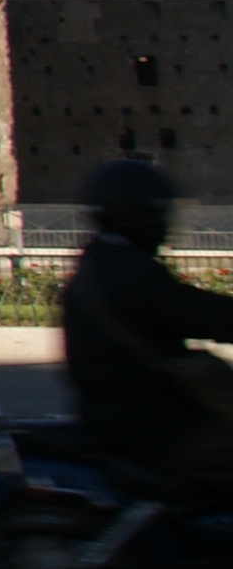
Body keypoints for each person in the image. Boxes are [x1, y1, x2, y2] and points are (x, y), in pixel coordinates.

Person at [61, 156, 233, 498]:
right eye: (161, 213)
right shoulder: (127, 274)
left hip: (130, 415)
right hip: (152, 424)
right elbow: (196, 311)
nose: (166, 224)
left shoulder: (101, 264)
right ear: (139, 213)